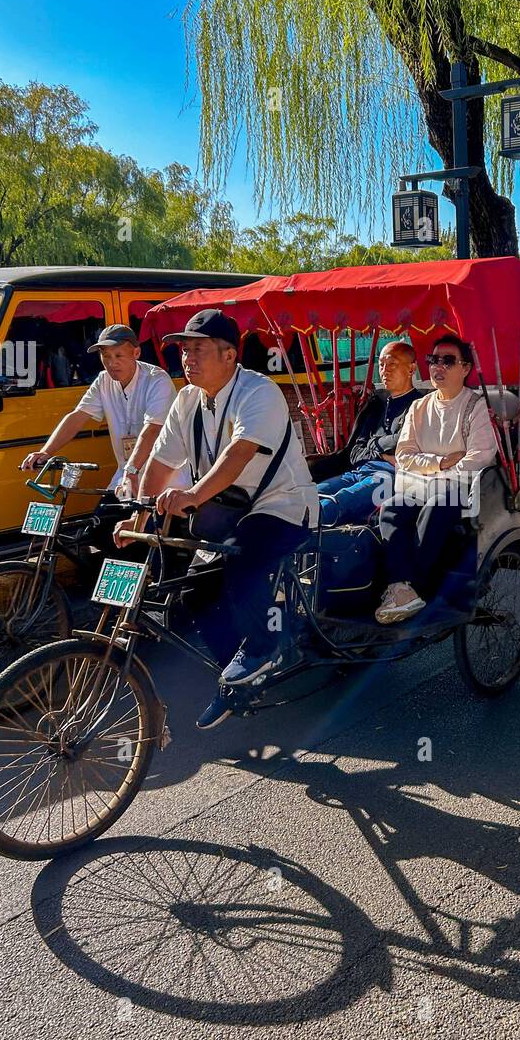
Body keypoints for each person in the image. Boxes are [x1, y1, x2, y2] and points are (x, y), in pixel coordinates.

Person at [113, 309, 318, 730]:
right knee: (195, 594)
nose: (187, 358)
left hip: (281, 506)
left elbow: (236, 454)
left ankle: (264, 648)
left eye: (198, 349)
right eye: (184, 350)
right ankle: (237, 677)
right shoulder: (187, 399)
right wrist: (140, 512)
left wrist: (190, 495)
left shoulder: (258, 392)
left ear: (230, 355)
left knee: (241, 566)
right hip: (225, 509)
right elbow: (161, 461)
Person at [375, 332, 498, 624]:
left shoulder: (475, 406)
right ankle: (402, 587)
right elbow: (404, 455)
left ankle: (411, 587)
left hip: (461, 489)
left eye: (448, 361)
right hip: (421, 485)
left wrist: (439, 472)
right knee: (391, 508)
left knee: (438, 505)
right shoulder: (419, 407)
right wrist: (440, 462)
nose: (437, 367)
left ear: (465, 368)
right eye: (433, 360)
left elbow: (480, 457)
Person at [20, 324, 180, 547]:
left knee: (143, 542)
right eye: (105, 356)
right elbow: (78, 416)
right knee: (100, 531)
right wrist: (46, 452)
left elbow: (152, 430)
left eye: (118, 355)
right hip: (125, 477)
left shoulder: (157, 380)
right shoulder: (104, 380)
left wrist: (132, 470)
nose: (112, 362)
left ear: (136, 353)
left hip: (161, 477)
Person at [311, 341, 419, 525]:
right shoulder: (376, 405)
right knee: (308, 496)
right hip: (358, 471)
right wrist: (382, 453)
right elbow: (354, 452)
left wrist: (373, 443)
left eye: (392, 364)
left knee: (336, 504)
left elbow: (402, 442)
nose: (385, 370)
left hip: (390, 477)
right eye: (382, 365)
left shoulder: (420, 405)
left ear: (411, 368)